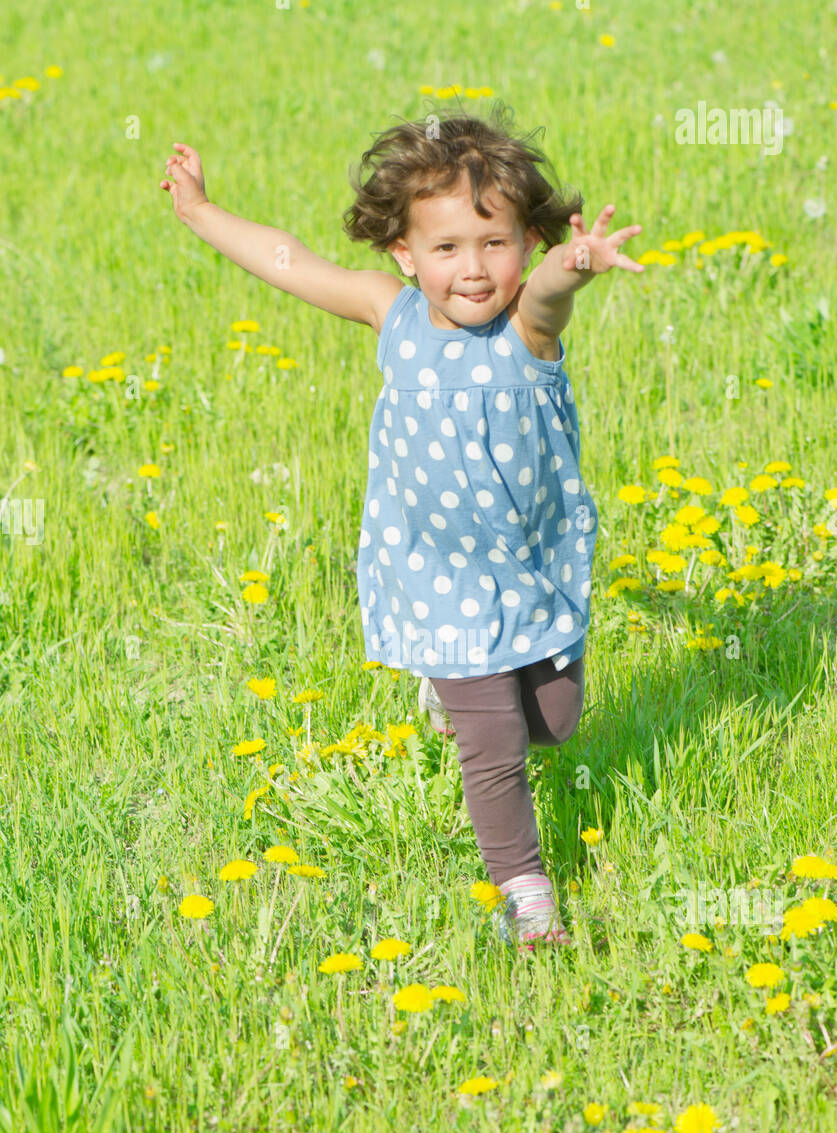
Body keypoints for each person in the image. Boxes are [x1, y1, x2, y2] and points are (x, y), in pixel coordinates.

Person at [159, 100, 643, 954]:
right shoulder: (392, 315)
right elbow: (288, 260)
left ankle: (454, 697)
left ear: (526, 246)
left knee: (553, 723)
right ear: (403, 253)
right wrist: (199, 210)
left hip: (529, 565)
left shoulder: (526, 329)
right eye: (447, 247)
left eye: (495, 244)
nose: (471, 268)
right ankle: (526, 896)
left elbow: (555, 296)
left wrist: (579, 263)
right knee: (494, 751)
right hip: (436, 575)